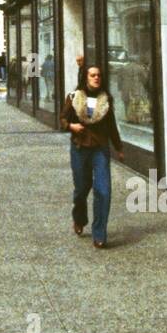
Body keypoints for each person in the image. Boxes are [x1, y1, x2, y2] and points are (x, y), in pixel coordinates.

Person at [60, 61, 125, 249]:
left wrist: (119, 147)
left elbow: (111, 125)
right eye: (92, 75)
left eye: (99, 75)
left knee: (103, 191)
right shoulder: (74, 97)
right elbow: (62, 119)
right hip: (79, 148)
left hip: (100, 149)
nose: (96, 78)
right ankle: (79, 218)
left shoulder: (106, 100)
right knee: (81, 189)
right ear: (86, 78)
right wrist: (71, 126)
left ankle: (99, 234)